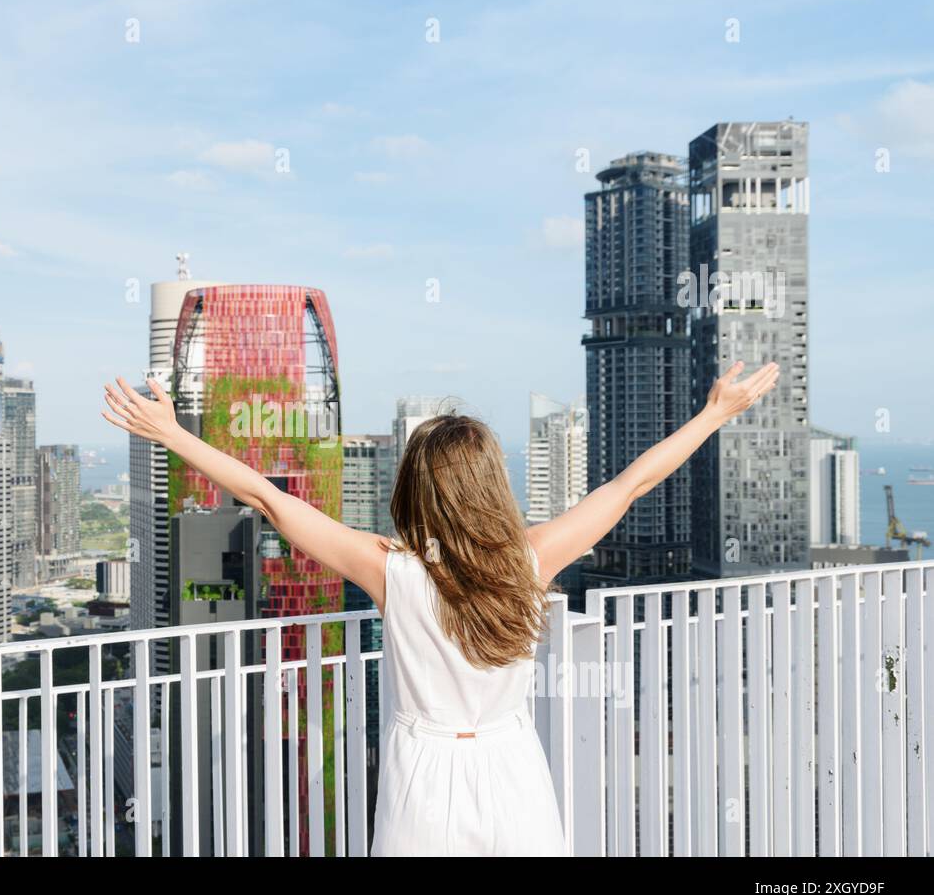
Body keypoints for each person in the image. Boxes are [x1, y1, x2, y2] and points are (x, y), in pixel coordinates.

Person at [101, 359, 779, 856]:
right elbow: (631, 483)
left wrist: (171, 432)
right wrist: (716, 411)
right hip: (513, 763)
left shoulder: (391, 570)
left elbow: (271, 500)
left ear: (418, 488)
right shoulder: (529, 558)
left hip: (422, 775)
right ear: (491, 485)